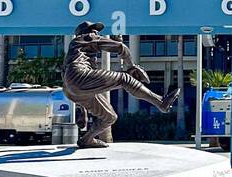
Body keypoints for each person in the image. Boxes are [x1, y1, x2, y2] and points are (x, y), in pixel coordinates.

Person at [62, 20, 179, 148]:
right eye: (93, 30)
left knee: (109, 117)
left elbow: (73, 86)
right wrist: (131, 66)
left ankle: (87, 139)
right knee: (124, 78)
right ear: (85, 33)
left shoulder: (73, 53)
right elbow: (121, 48)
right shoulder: (86, 38)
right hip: (79, 75)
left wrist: (82, 111)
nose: (96, 32)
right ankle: (161, 102)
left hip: (70, 88)